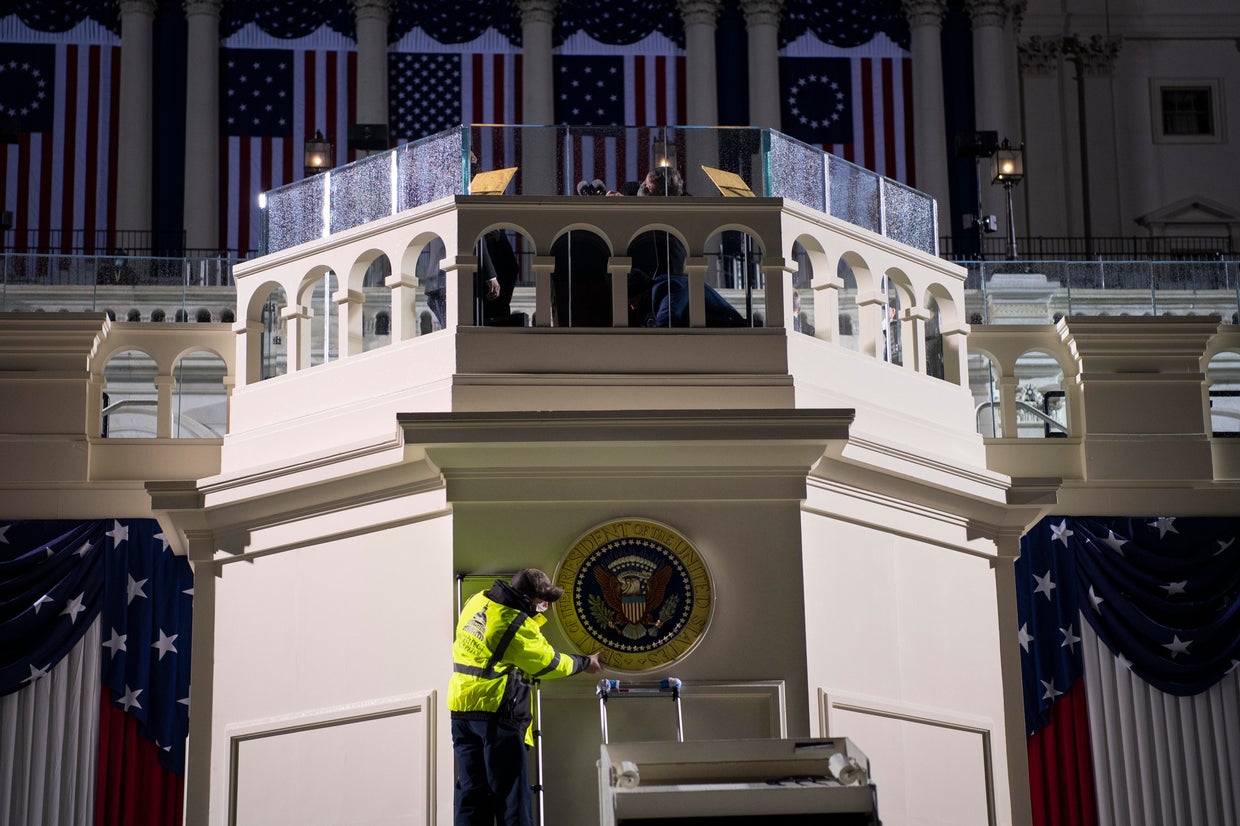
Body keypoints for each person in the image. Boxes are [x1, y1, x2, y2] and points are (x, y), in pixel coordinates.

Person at [450, 568, 603, 826]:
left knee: (471, 797)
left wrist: (531, 613)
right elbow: (548, 663)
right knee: (512, 800)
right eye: (543, 601)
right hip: (498, 715)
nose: (546, 606)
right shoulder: (516, 625)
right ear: (526, 598)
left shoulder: (477, 601)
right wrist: (585, 662)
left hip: (462, 711)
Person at [625, 167, 748, 328]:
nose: (643, 189)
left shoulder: (668, 288)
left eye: (648, 188)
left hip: (731, 336)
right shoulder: (675, 203)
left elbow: (666, 324)